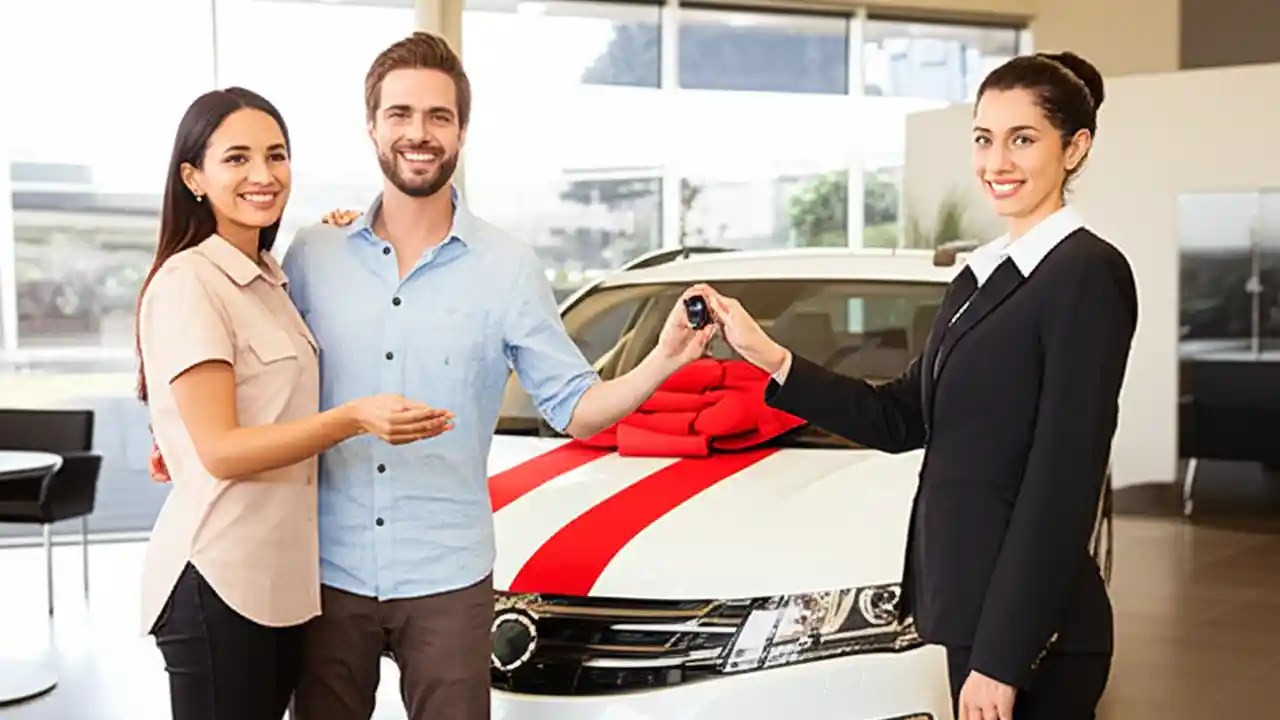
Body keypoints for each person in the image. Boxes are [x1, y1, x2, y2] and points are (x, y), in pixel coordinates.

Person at [282, 32, 713, 720]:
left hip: (448, 575)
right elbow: (256, 367)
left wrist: (662, 359)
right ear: (371, 126)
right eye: (399, 115)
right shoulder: (313, 254)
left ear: (461, 131)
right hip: (327, 572)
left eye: (438, 117)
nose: (418, 134)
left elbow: (574, 406)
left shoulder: (507, 265)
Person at [698, 51, 1136, 720]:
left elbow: (1062, 483)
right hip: (970, 611)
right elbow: (901, 418)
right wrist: (770, 356)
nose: (998, 162)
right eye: (984, 139)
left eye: (1023, 140)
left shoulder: (1085, 274)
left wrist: (1001, 657)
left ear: (1075, 148)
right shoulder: (982, 276)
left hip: (1031, 638)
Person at [135, 87, 453, 720]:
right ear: (193, 176)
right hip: (219, 578)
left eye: (276, 156)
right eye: (237, 159)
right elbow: (222, 450)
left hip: (280, 583)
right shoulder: (189, 282)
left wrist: (340, 240)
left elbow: (264, 406)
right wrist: (355, 418)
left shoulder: (270, 281)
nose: (263, 175)